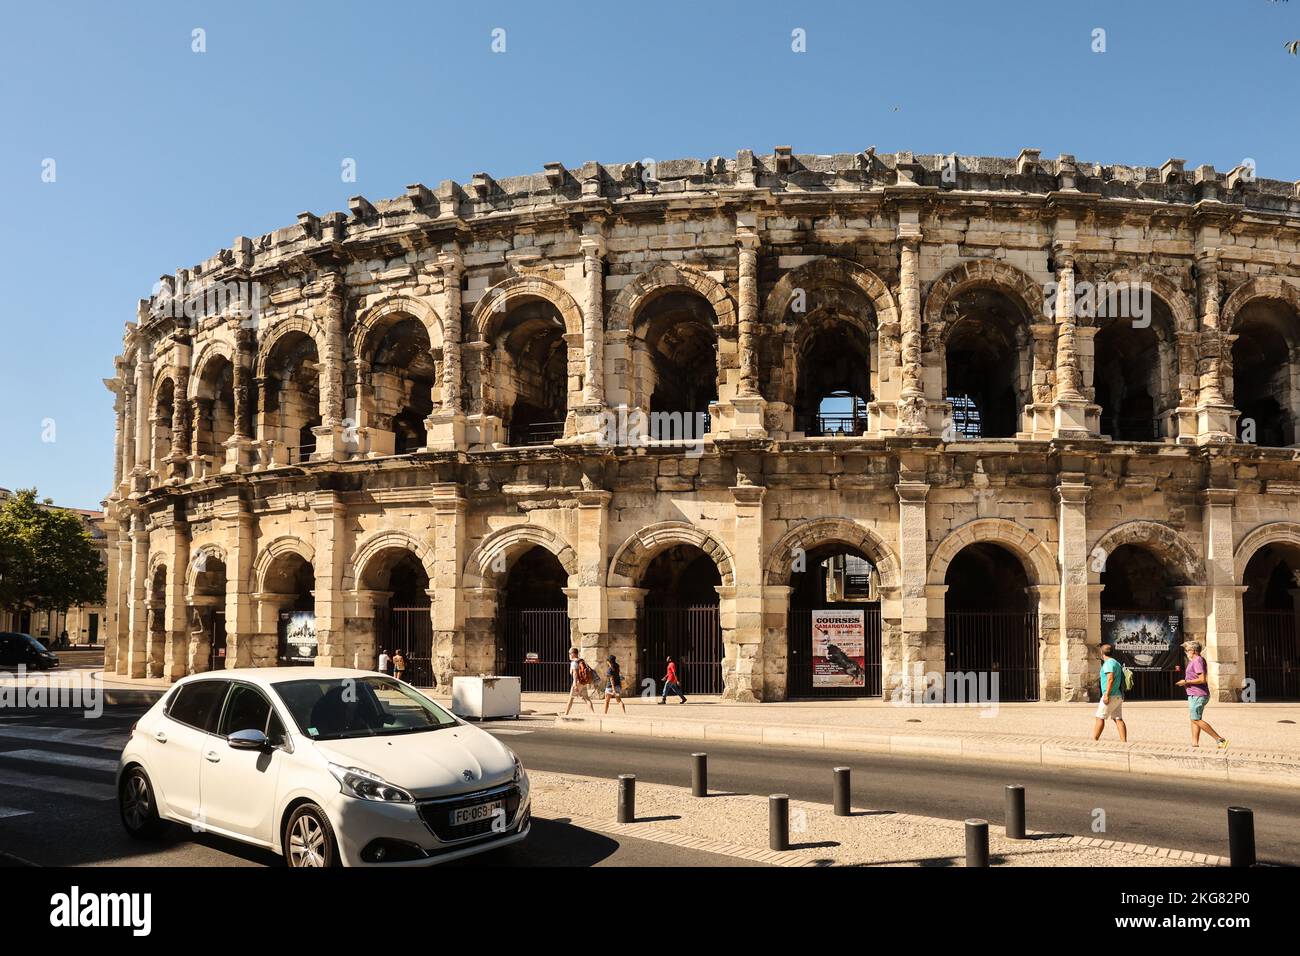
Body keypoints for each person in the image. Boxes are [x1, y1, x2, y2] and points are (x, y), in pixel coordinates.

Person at [1177, 641, 1228, 750]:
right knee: (1194, 718)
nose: (1186, 653)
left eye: (1187, 651)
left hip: (1198, 694)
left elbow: (1202, 679)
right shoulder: (1195, 661)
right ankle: (1194, 743)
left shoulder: (1198, 661)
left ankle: (1220, 739)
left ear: (1193, 651)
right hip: (1193, 694)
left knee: (1195, 719)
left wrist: (1185, 682)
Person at [1091, 643, 1127, 742]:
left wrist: (1106, 694)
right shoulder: (1116, 663)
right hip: (1118, 695)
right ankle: (1124, 741)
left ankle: (1095, 740)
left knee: (1099, 717)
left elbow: (1110, 679)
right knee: (1118, 718)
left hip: (1110, 695)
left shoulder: (1108, 664)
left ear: (1101, 652)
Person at [563, 647, 595, 716]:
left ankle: (566, 713)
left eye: (570, 653)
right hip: (583, 682)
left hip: (578, 682)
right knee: (586, 698)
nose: (569, 655)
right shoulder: (581, 660)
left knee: (571, 698)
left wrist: (574, 684)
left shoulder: (574, 662)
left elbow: (575, 673)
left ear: (573, 654)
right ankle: (593, 713)